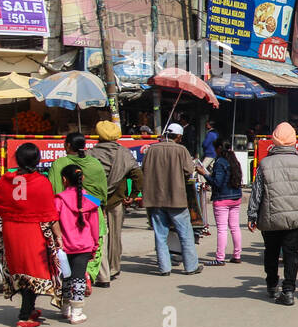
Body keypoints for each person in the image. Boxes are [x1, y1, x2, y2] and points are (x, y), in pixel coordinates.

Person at [0, 142, 63, 327]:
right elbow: (50, 214)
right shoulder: (41, 182)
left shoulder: (6, 179)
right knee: (34, 271)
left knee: (20, 268)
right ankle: (25, 316)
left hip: (10, 230)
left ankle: (28, 309)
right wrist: (59, 236)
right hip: (32, 231)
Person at [247, 122, 298, 306]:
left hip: (270, 216)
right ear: (293, 141)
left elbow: (257, 192)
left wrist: (252, 215)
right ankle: (289, 290)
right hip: (295, 218)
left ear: (274, 140)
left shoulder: (264, 163)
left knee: (271, 251)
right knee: (292, 253)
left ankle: (271, 284)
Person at [48, 131, 108, 287]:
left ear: (67, 145)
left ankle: (73, 291)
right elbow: (103, 194)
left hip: (66, 218)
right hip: (93, 214)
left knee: (68, 265)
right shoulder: (95, 163)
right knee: (92, 252)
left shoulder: (59, 164)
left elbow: (53, 191)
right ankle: (85, 280)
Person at [141, 122, 202, 275]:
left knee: (160, 235)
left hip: (155, 199)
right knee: (185, 234)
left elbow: (144, 169)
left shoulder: (151, 149)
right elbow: (189, 170)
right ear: (179, 136)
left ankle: (164, 268)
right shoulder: (181, 150)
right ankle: (191, 266)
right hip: (176, 199)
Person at [91, 121, 142, 285]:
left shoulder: (90, 154)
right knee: (115, 236)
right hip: (117, 200)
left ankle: (101, 270)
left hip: (95, 202)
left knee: (100, 237)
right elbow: (137, 175)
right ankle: (114, 268)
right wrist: (133, 195)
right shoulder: (124, 153)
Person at [54, 163, 101, 324]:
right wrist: (95, 245)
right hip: (85, 245)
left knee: (65, 277)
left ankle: (65, 308)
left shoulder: (58, 200)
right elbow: (95, 227)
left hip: (64, 246)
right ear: (83, 179)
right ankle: (77, 312)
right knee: (79, 278)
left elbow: (53, 222)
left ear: (64, 180)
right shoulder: (91, 200)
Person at [200, 138, 244, 265]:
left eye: (215, 148)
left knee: (222, 229)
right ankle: (237, 255)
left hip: (222, 198)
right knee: (235, 227)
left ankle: (220, 258)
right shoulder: (234, 161)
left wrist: (205, 174)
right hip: (236, 197)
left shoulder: (220, 162)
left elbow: (217, 183)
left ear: (219, 148)